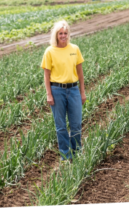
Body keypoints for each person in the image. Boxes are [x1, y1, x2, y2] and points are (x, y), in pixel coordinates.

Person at [41, 19, 87, 159]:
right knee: (60, 126)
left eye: (65, 33)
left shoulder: (74, 49)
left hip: (73, 90)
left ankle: (77, 152)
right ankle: (66, 156)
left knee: (76, 124)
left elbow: (80, 72)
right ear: (56, 35)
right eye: (60, 33)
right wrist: (49, 94)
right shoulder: (50, 51)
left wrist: (82, 92)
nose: (63, 36)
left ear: (68, 34)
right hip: (57, 91)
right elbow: (46, 75)